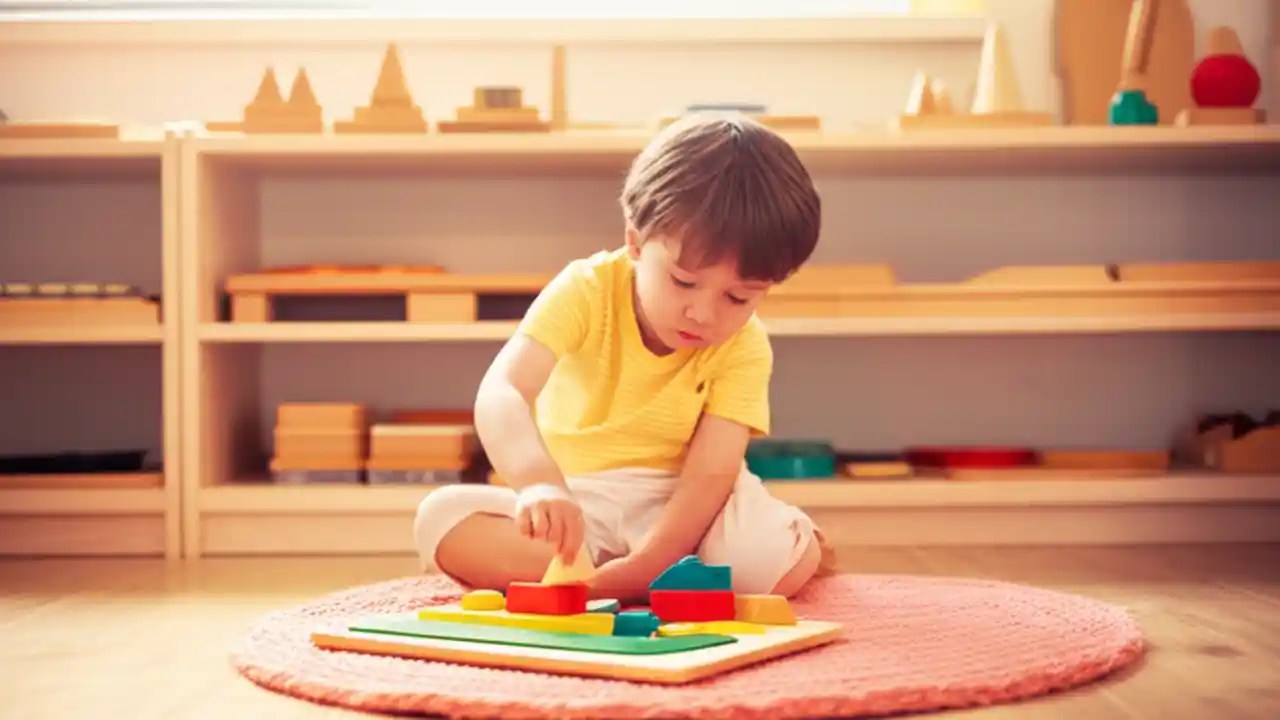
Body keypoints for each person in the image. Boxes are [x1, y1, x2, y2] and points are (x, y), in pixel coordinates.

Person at [414, 112, 832, 603]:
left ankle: (790, 545)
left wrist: (654, 559)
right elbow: (503, 391)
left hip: (689, 508)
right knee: (440, 519)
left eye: (738, 298)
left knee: (760, 562)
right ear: (635, 241)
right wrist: (538, 485)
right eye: (683, 281)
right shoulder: (585, 289)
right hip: (578, 499)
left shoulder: (744, 344)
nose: (703, 313)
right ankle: (628, 578)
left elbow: (710, 473)